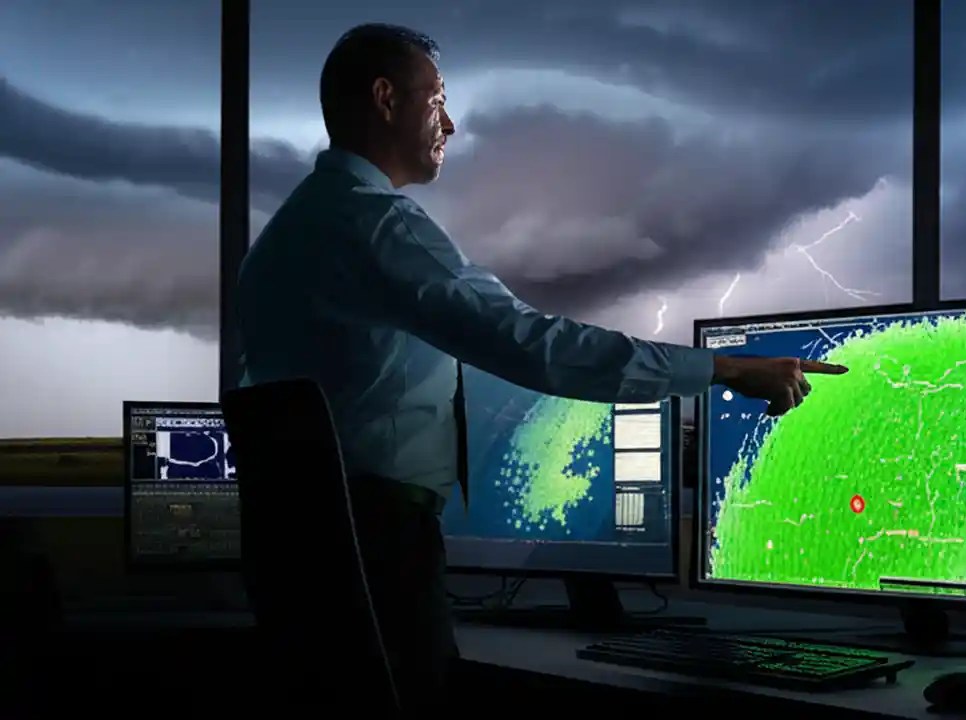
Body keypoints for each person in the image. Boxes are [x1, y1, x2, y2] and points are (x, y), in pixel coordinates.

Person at [235, 22, 847, 712]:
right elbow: (535, 345)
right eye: (435, 100)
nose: (452, 122)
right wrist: (724, 370)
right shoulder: (377, 228)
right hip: (375, 550)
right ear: (384, 98)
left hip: (300, 559)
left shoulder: (286, 236)